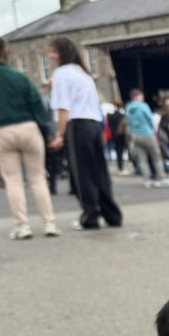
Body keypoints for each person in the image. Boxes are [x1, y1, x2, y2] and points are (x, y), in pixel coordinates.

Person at [0, 32, 60, 238]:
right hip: (28, 128)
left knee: (13, 180)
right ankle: (49, 222)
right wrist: (45, 133)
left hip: (1, 130)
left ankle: (22, 225)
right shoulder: (20, 78)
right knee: (37, 178)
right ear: (6, 51)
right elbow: (37, 107)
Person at [48, 35, 123, 229]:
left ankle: (90, 215)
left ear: (61, 53)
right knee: (99, 171)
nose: (50, 56)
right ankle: (112, 214)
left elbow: (63, 107)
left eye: (53, 52)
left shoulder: (61, 73)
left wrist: (59, 134)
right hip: (93, 124)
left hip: (77, 125)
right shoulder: (83, 73)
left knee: (81, 173)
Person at [125, 88, 169, 188]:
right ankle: (161, 177)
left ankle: (147, 180)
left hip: (136, 135)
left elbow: (128, 124)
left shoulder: (128, 108)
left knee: (143, 160)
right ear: (138, 96)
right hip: (147, 133)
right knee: (156, 157)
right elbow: (150, 120)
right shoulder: (143, 106)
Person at [107, 103, 129, 173]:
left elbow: (109, 126)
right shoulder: (122, 116)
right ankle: (121, 167)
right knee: (122, 151)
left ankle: (120, 167)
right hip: (121, 136)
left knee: (118, 152)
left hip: (113, 136)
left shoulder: (111, 116)